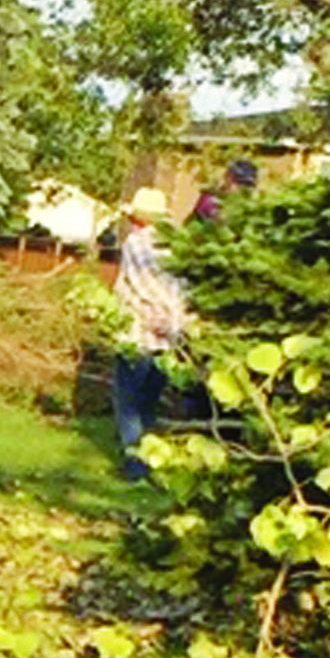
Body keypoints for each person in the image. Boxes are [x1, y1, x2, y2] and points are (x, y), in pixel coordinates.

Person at [111, 185, 188, 480]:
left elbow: (142, 283)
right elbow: (182, 289)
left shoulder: (137, 243)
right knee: (148, 404)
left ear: (139, 218)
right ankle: (150, 461)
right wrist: (177, 323)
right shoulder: (175, 245)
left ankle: (136, 467)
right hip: (169, 341)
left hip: (138, 334)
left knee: (128, 405)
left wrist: (158, 314)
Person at [191, 156, 258, 223]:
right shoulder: (209, 201)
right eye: (239, 182)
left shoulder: (251, 206)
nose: (243, 188)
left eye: (247, 185)